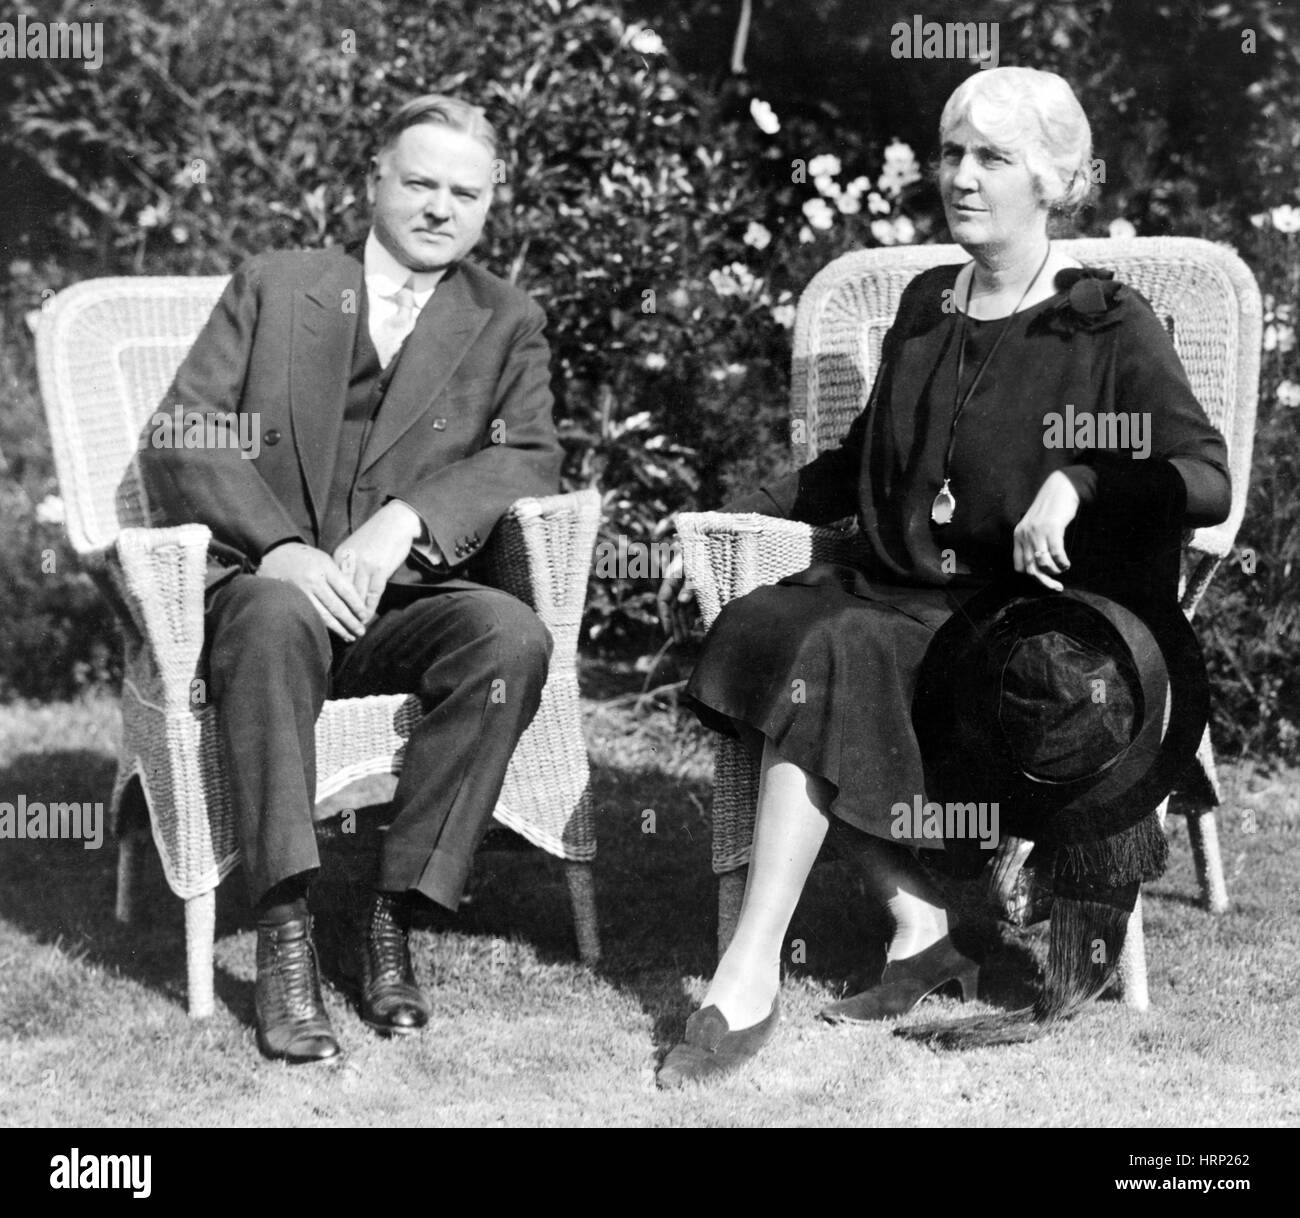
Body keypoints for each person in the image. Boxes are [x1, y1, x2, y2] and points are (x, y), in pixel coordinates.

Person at [654, 66, 1230, 1087]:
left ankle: (745, 976)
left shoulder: (1102, 322)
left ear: (1054, 182)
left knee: (821, 655)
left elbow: (1202, 476)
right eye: (951, 153)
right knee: (763, 630)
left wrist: (1083, 480)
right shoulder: (926, 304)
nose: (960, 177)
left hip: (1008, 627)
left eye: (992, 158)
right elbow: (857, 465)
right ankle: (918, 923)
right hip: (891, 586)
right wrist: (732, 508)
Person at [139, 96, 561, 1063]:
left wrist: (408, 521)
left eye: (465, 192)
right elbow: (182, 432)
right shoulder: (278, 286)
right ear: (374, 180)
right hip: (265, 593)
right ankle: (286, 928)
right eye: (419, 182)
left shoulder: (505, 319)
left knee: (512, 637)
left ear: (491, 205)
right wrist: (281, 544)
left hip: (397, 604)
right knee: (278, 611)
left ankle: (390, 912)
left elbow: (528, 457)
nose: (439, 208)